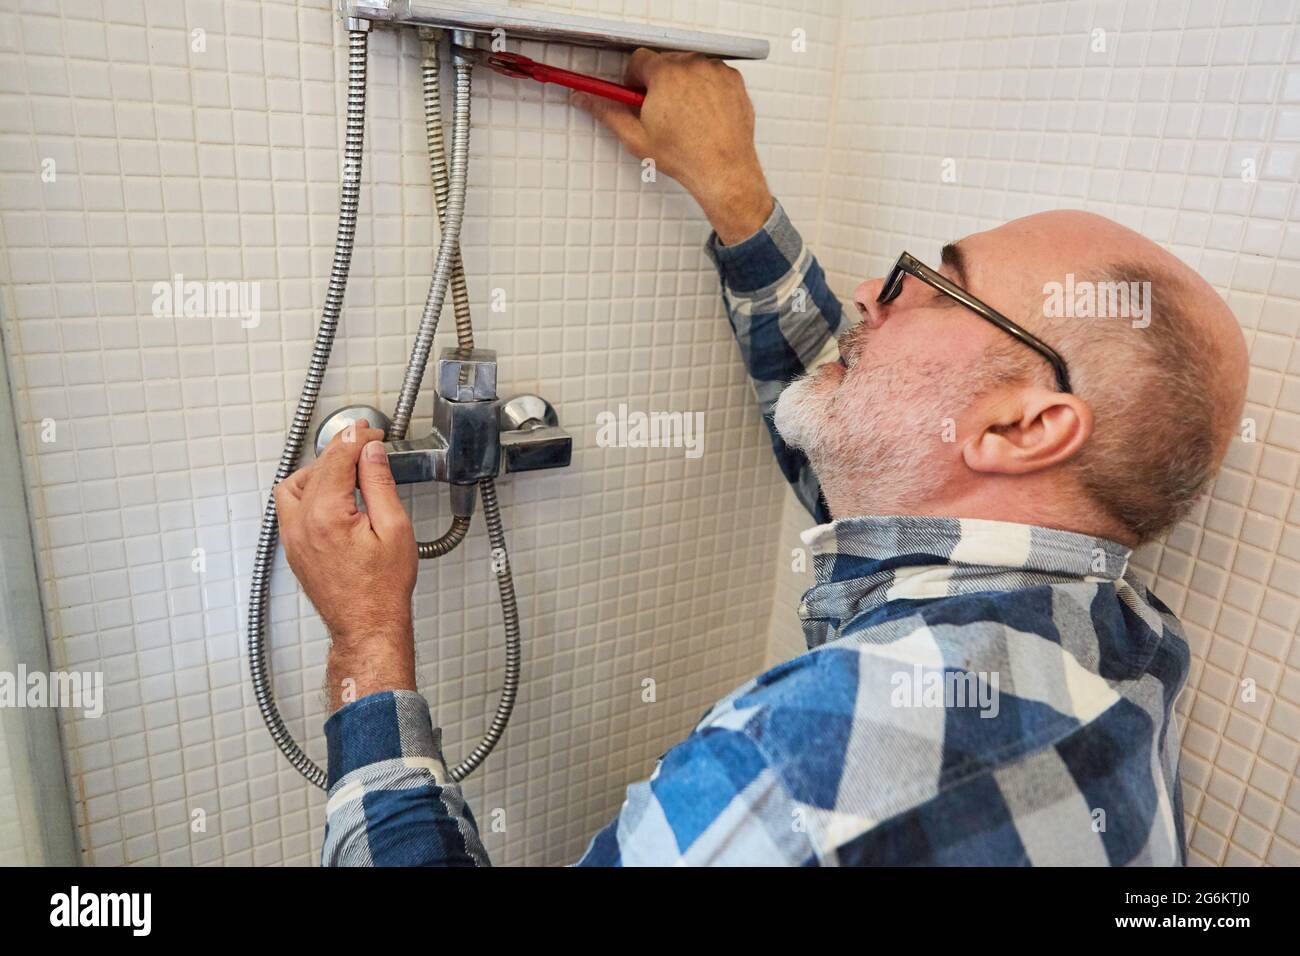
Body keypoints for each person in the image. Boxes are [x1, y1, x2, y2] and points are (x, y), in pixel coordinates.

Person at [274, 50, 1249, 866]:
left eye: (931, 285)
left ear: (1023, 430)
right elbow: (870, 446)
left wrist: (368, 640)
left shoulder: (798, 767)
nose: (872, 289)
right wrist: (733, 190)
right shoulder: (1117, 643)